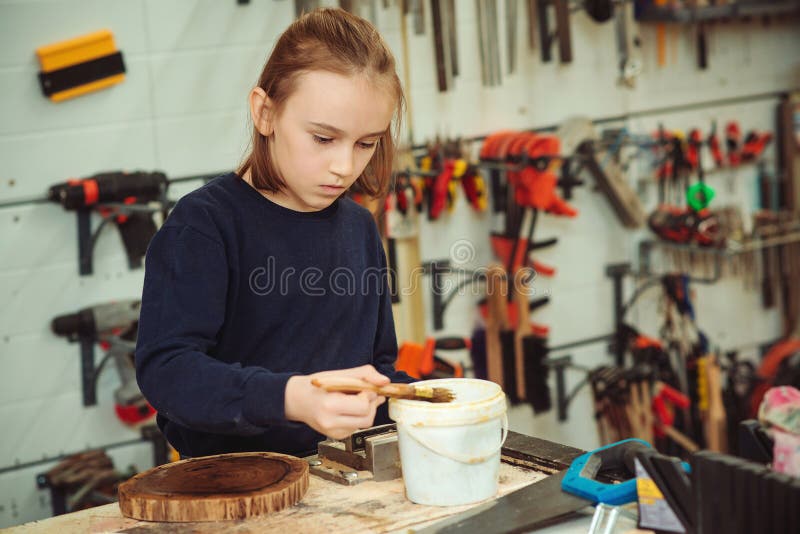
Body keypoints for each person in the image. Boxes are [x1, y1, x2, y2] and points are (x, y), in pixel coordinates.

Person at [135, 7, 413, 459]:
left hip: (343, 480)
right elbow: (167, 371)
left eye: (366, 143)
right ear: (266, 113)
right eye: (323, 138)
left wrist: (432, 402)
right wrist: (289, 399)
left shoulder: (359, 227)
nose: (345, 166)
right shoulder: (204, 226)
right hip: (229, 488)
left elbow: (378, 369)